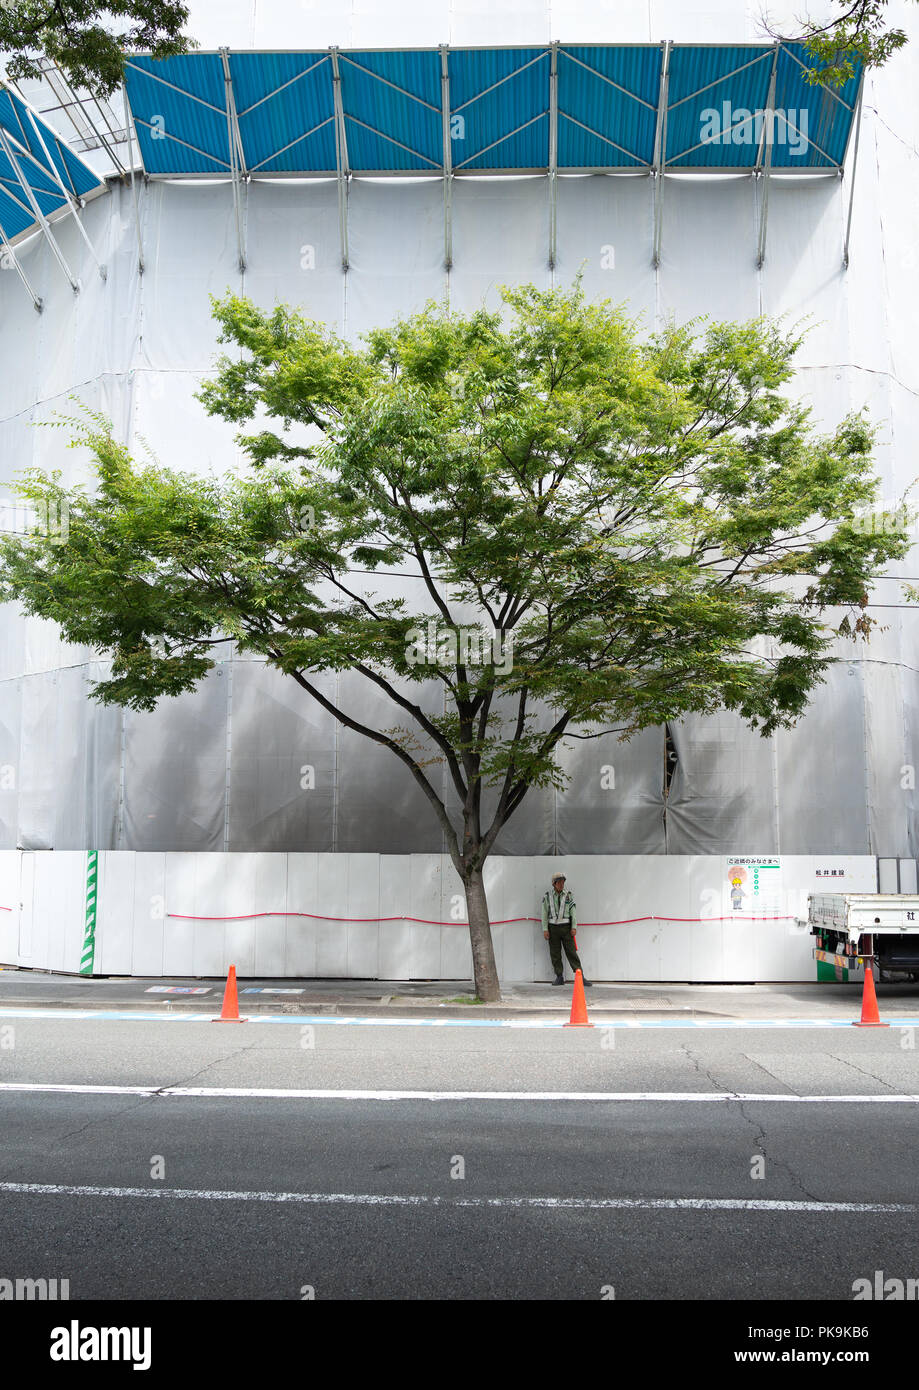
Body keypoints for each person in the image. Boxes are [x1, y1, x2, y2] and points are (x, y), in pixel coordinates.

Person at [542, 873, 591, 986]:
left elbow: (573, 912)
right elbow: (544, 913)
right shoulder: (547, 896)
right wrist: (545, 929)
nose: (562, 884)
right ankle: (559, 977)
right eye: (559, 882)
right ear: (554, 884)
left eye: (563, 882)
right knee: (555, 953)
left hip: (566, 929)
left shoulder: (568, 895)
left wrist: (574, 927)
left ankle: (580, 976)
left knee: (571, 952)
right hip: (552, 928)